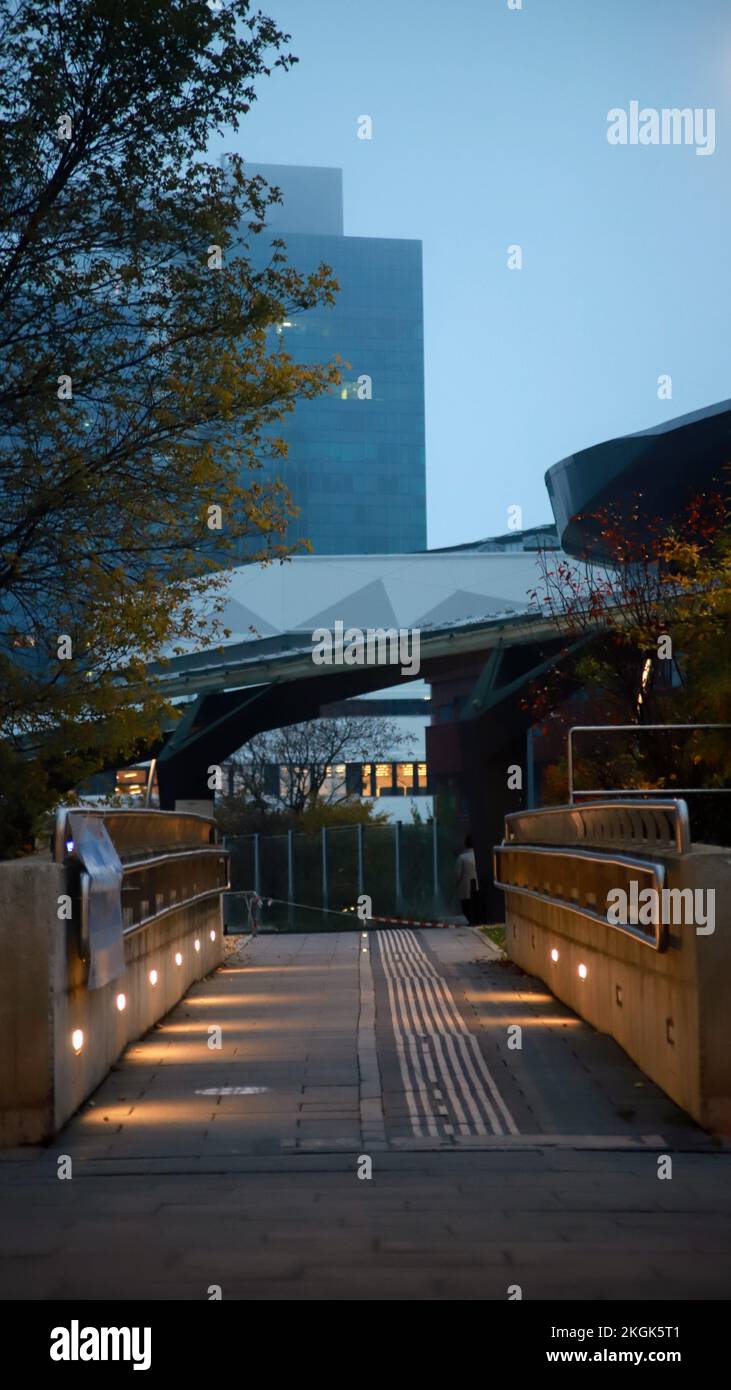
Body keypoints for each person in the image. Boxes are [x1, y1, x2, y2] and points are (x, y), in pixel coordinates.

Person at [454, 835, 478, 924]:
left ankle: (471, 923)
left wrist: (455, 886)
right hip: (478, 889)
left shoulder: (462, 858)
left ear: (465, 844)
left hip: (465, 891)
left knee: (466, 909)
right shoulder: (478, 856)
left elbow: (457, 875)